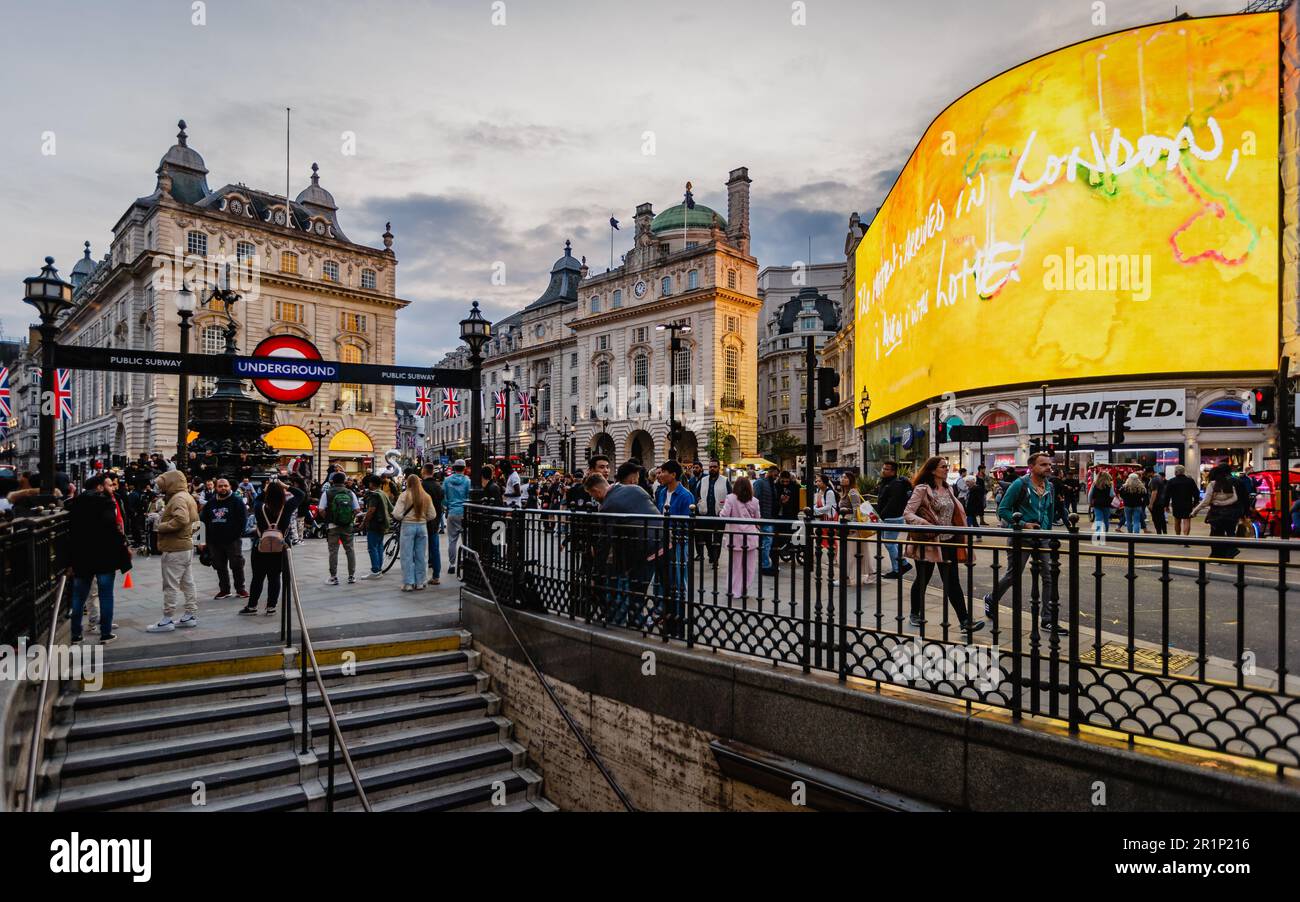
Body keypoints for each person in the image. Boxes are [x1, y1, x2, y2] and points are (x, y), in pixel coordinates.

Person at [983, 452, 1067, 635]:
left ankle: (1047, 620)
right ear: (1032, 467)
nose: (1048, 468)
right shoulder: (1019, 484)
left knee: (1049, 577)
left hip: (1042, 537)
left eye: (1049, 465)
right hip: (1021, 537)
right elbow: (1003, 510)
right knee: (1014, 575)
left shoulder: (1050, 487)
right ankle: (991, 598)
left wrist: (1048, 532)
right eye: (1043, 465)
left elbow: (1050, 511)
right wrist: (1023, 524)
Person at [903, 457, 983, 634]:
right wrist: (926, 524)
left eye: (947, 466)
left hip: (948, 541)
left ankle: (965, 621)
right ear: (932, 470)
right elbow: (908, 513)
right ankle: (914, 613)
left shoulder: (948, 489)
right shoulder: (922, 489)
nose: (947, 469)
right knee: (923, 578)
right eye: (943, 467)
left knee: (952, 581)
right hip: (929, 541)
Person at [66, 475, 128, 644]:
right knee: (106, 595)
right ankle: (105, 633)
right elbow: (112, 529)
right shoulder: (105, 503)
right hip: (104, 556)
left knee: (79, 597)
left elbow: (70, 535)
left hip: (81, 557)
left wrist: (70, 560)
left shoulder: (74, 504)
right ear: (99, 487)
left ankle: (76, 635)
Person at [147, 469, 200, 633]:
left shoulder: (177, 499)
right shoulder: (187, 496)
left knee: (170, 585)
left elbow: (181, 519)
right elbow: (196, 522)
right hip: (185, 547)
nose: (161, 488)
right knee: (187, 582)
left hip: (175, 548)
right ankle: (190, 615)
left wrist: (160, 526)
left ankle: (167, 619)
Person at [653, 460, 694, 637]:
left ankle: (678, 616)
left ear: (673, 475)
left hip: (677, 543)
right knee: (661, 579)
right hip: (662, 542)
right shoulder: (661, 492)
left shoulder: (685, 495)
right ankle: (663, 613)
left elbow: (686, 523)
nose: (659, 475)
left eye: (663, 472)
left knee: (677, 580)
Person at [239, 480, 290, 616]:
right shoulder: (287, 508)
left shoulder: (259, 507)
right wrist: (284, 486)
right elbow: (300, 494)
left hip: (261, 547)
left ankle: (252, 606)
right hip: (280, 548)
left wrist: (266, 489)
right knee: (275, 577)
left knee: (258, 577)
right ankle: (271, 606)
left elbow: (257, 498)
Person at [199, 477, 248, 600]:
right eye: (220, 486)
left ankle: (240, 589)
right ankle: (224, 590)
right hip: (214, 541)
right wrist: (200, 540)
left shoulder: (237, 501)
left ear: (230, 487)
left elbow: (243, 521)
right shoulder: (210, 503)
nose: (223, 488)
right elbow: (202, 521)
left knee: (236, 564)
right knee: (219, 566)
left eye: (225, 486)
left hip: (232, 540)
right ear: (216, 488)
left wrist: (236, 535)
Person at [392, 474, 436, 591]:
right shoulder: (426, 496)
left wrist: (403, 518)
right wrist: (423, 518)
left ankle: (408, 583)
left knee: (407, 555)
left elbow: (396, 514)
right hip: (422, 526)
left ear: (408, 482)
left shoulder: (404, 495)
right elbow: (432, 515)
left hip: (408, 526)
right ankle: (420, 582)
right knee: (421, 555)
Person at [721, 476, 761, 599]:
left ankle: (733, 590)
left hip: (735, 537)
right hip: (751, 536)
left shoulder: (731, 498)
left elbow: (724, 515)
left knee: (735, 566)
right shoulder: (754, 501)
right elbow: (758, 519)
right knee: (749, 566)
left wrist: (720, 511)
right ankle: (744, 588)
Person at [1192, 468, 1243, 559]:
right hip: (1230, 513)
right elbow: (1235, 498)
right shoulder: (1229, 484)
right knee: (1229, 533)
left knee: (1215, 535)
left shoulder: (1212, 484)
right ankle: (1229, 551)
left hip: (1217, 514)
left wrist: (1195, 511)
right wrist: (1224, 503)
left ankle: (1217, 554)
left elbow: (1206, 501)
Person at [320, 471, 359, 585]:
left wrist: (329, 518)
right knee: (350, 550)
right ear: (344, 481)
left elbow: (321, 510)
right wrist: (349, 518)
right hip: (347, 526)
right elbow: (357, 509)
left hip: (332, 526)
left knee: (333, 551)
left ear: (332, 481)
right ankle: (351, 576)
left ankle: (333, 577)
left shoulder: (327, 493)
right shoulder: (350, 492)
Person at [876, 460, 913, 579]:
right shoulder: (887, 482)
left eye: (886, 469)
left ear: (893, 471)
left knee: (889, 544)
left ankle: (899, 568)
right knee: (890, 544)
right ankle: (902, 564)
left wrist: (882, 515)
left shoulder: (896, 484)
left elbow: (893, 503)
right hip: (888, 518)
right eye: (883, 468)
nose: (883, 470)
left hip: (892, 518)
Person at [694, 459, 731, 565]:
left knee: (718, 539)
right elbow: (697, 494)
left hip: (719, 515)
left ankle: (715, 560)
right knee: (707, 538)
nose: (712, 468)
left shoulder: (725, 480)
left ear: (719, 468)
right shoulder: (703, 480)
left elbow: (730, 496)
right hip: (705, 514)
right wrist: (699, 502)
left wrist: (725, 507)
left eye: (714, 466)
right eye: (710, 467)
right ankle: (711, 554)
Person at [359, 474, 393, 579]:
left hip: (374, 524)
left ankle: (375, 570)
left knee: (372, 547)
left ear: (371, 483)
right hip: (383, 524)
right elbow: (391, 508)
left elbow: (371, 511)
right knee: (379, 546)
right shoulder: (383, 493)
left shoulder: (374, 495)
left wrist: (363, 523)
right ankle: (379, 569)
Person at [442, 460, 471, 575]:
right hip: (464, 512)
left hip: (452, 512)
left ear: (454, 468)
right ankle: (465, 561)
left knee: (452, 540)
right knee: (466, 539)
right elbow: (469, 496)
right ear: (464, 468)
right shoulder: (467, 481)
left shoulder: (447, 480)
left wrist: (447, 505)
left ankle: (452, 564)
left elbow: (443, 496)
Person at [421, 464, 444, 584]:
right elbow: (441, 501)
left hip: (422, 520)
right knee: (435, 548)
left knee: (419, 549)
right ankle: (436, 576)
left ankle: (420, 577)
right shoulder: (438, 486)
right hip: (435, 520)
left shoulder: (421, 486)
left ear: (424, 471)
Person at [755, 466, 779, 575]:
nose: (776, 477)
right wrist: (757, 519)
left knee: (767, 542)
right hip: (764, 518)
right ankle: (764, 566)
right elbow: (755, 500)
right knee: (766, 542)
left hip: (770, 517)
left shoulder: (772, 485)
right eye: (775, 474)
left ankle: (765, 564)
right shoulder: (760, 483)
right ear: (770, 472)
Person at [1167, 465, 1201, 537]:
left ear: (1176, 472)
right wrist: (1195, 502)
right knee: (1187, 521)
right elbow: (1196, 493)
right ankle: (1185, 538)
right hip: (1187, 504)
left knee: (1177, 521)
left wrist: (1166, 505)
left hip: (1176, 504)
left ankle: (1178, 537)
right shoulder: (1190, 481)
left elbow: (1167, 494)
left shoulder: (1171, 481)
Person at [1088, 471, 1114, 537]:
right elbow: (1111, 494)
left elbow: (1090, 494)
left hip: (1097, 504)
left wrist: (1090, 502)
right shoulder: (1110, 484)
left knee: (1098, 518)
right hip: (1106, 504)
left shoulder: (1095, 484)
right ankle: (1106, 533)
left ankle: (1098, 533)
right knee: (1106, 519)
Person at [1148, 468, 1170, 535]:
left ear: (1151, 472)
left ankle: (1159, 533)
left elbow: (1154, 492)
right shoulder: (1160, 478)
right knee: (1162, 517)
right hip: (1161, 501)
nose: (1146, 475)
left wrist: (1151, 504)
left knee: (1156, 519)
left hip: (1156, 502)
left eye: (1147, 473)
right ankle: (1165, 532)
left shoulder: (1154, 480)